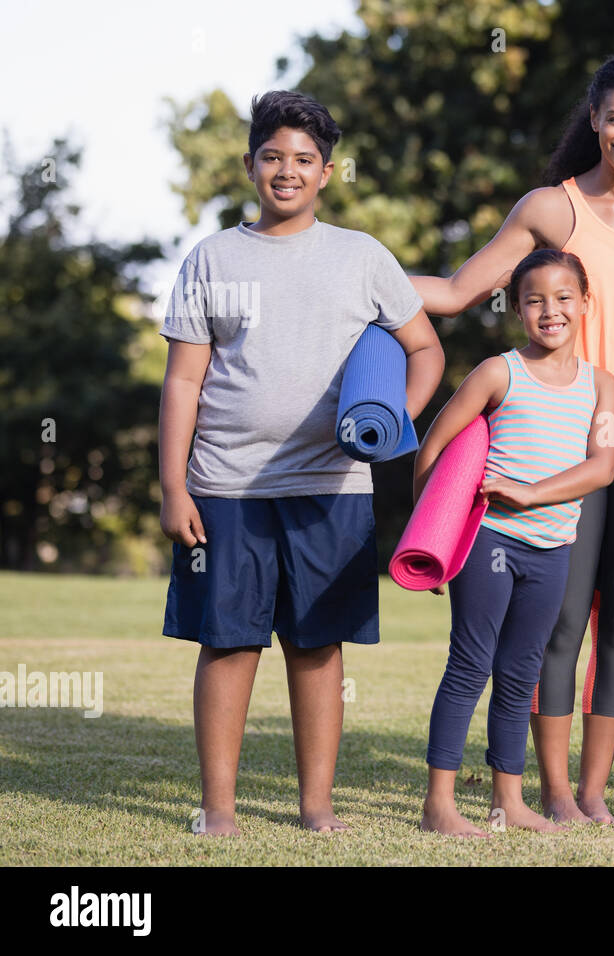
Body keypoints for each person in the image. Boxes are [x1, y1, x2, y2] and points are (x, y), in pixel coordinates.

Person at [159, 90, 444, 836]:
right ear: (251, 163)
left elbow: (426, 349)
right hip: (224, 486)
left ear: (325, 173)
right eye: (274, 156)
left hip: (331, 487)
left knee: (317, 648)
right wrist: (172, 484)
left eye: (305, 160)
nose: (288, 170)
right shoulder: (212, 257)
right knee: (227, 644)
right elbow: (184, 379)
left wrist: (391, 422)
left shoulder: (362, 257)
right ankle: (217, 808)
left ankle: (315, 806)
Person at [409, 57, 614, 825]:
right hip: (567, 452)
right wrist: (357, 278)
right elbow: (461, 291)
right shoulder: (552, 210)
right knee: (560, 624)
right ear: (594, 118)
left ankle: (592, 790)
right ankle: (552, 789)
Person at [415, 249, 614, 837]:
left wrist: (529, 494)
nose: (549, 310)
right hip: (490, 544)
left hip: (553, 547)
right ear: (517, 309)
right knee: (470, 664)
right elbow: (434, 448)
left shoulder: (602, 386)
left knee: (521, 671)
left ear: (585, 304)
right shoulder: (498, 373)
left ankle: (509, 800)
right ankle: (439, 805)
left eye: (563, 298)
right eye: (534, 300)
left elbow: (603, 467)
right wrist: (431, 542)